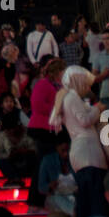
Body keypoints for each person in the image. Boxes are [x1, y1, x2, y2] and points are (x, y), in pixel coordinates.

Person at [49, 66, 109, 217]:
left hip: (83, 152)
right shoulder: (72, 97)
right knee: (94, 199)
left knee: (87, 198)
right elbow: (84, 121)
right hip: (87, 152)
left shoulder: (67, 97)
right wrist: (98, 109)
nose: (87, 88)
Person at [26, 57, 65, 208]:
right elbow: (38, 105)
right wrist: (59, 110)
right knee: (42, 164)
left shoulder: (57, 86)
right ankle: (36, 199)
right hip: (42, 129)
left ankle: (41, 199)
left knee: (46, 164)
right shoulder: (43, 84)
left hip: (50, 129)